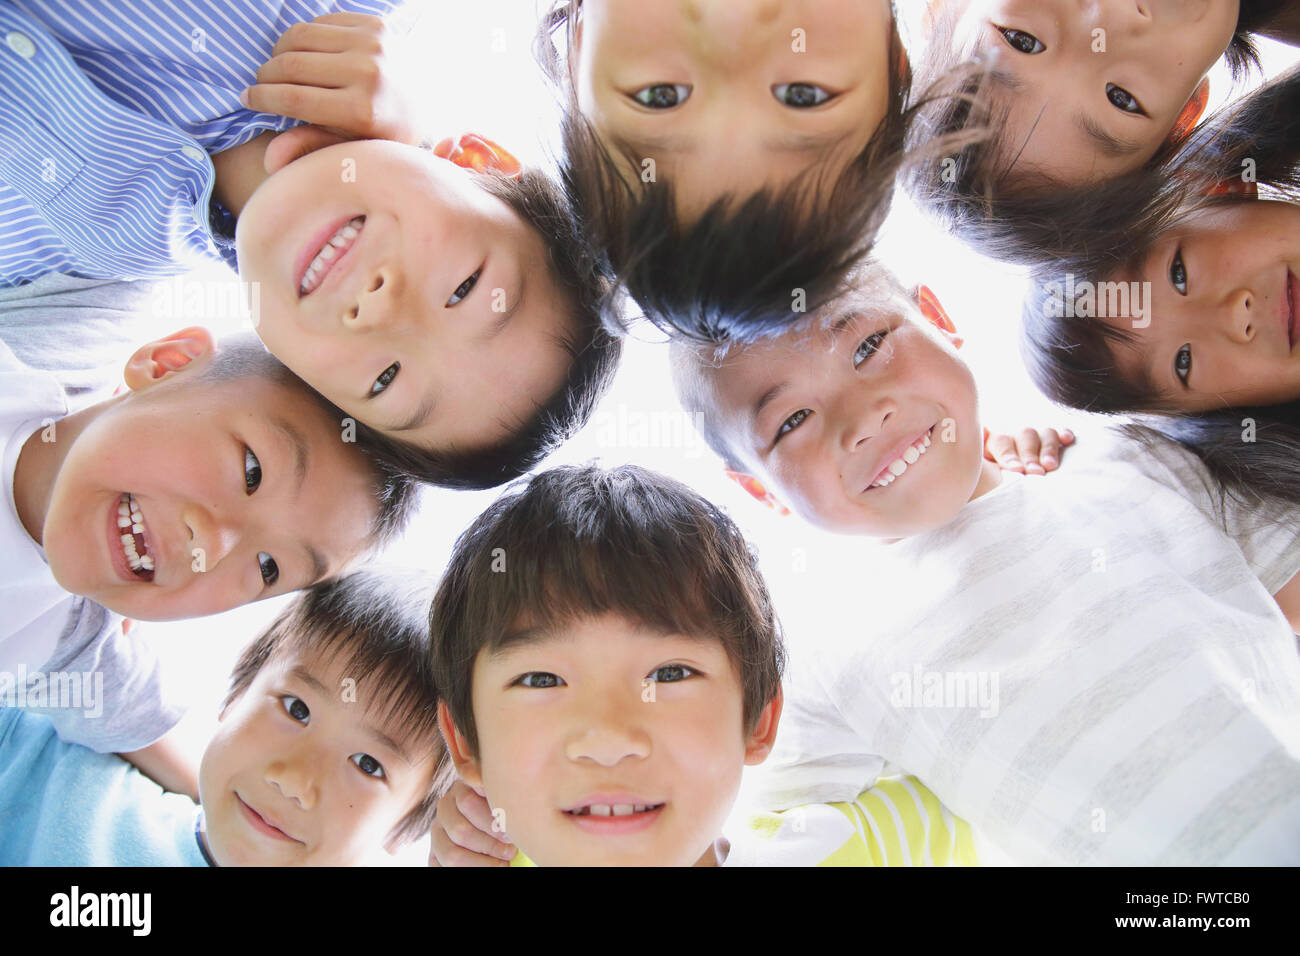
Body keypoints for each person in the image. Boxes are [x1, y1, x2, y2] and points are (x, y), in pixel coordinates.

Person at [668, 259, 1300, 863]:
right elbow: (762, 843)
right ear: (759, 490)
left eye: (866, 347)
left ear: (937, 317)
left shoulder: (1134, 455)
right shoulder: (827, 662)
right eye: (794, 419)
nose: (865, 416)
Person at [0, 570, 449, 866]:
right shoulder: (49, 767)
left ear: (409, 826)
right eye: (297, 709)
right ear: (237, 693)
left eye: (367, 765)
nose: (293, 780)